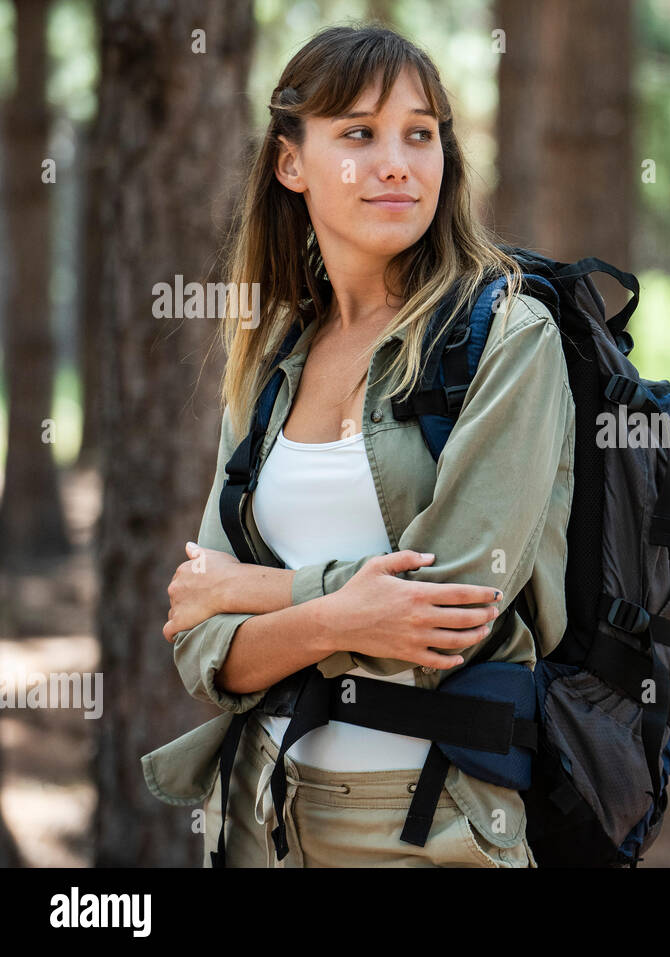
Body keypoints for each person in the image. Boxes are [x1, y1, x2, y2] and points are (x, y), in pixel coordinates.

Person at [139, 23, 575, 867]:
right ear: (290, 162)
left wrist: (258, 591)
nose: (397, 162)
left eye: (420, 133)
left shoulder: (508, 339)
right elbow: (199, 637)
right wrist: (343, 610)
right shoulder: (273, 356)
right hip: (261, 813)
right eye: (358, 133)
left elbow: (442, 612)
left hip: (430, 825)